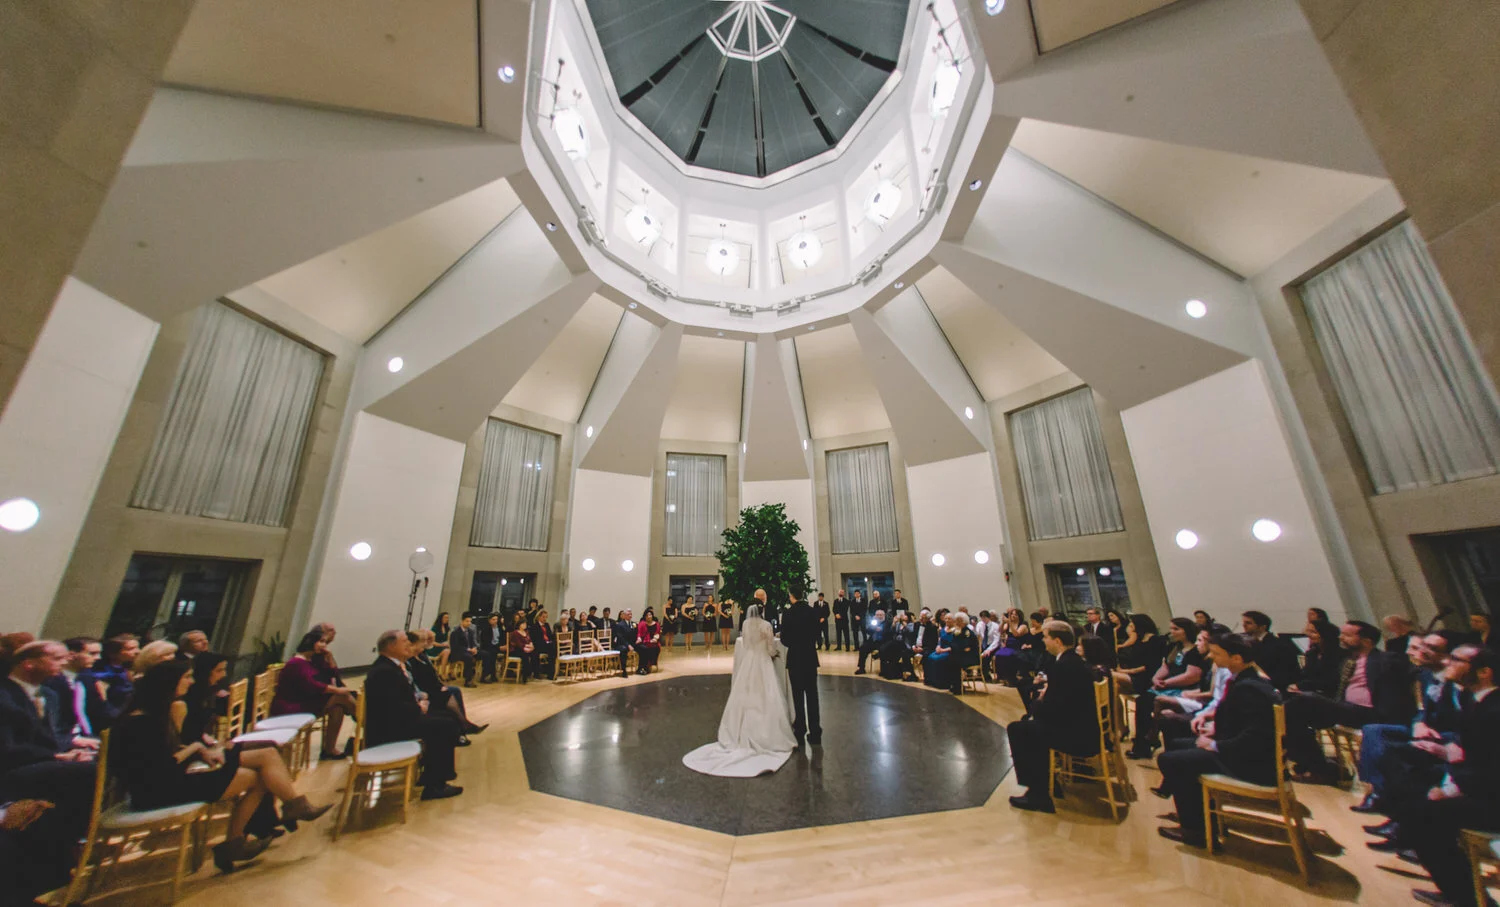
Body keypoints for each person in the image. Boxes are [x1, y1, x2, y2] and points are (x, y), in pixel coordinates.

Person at [111, 660, 331, 872]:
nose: (191, 681)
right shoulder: (142, 722)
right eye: (186, 677)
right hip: (158, 791)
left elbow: (164, 756)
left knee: (262, 766)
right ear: (168, 683)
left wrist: (199, 749)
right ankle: (279, 814)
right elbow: (164, 764)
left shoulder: (150, 715)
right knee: (260, 768)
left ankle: (242, 838)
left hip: (164, 782)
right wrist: (196, 747)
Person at [1384, 645, 1500, 907]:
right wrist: (1446, 754)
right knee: (1410, 785)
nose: (1448, 662)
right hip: (1477, 783)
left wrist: (1451, 790)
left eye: (1457, 660)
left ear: (1484, 672)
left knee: (1423, 816)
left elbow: (1492, 769)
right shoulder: (1475, 700)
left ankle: (1464, 897)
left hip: (1492, 798)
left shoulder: (1494, 710)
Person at [1156, 632, 1280, 847]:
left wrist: (1214, 744)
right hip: (1243, 752)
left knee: (1170, 760)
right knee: (1177, 745)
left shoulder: (1250, 688)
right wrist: (1214, 727)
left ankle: (1196, 831)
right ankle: (1197, 813)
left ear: (1237, 658)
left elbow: (1255, 738)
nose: (1211, 657)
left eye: (1217, 653)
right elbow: (1241, 722)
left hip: (1252, 764)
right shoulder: (1245, 680)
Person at [1285, 620, 1416, 783]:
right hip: (1348, 709)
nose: (1341, 637)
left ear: (1366, 641)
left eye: (1347, 635)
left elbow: (1409, 670)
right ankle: (1317, 766)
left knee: (1299, 704)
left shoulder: (1386, 659)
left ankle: (1318, 768)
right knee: (1293, 713)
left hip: (1370, 713)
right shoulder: (1348, 661)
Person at [1354, 632, 1465, 817]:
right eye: (1423, 645)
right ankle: (1377, 791)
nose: (1422, 651)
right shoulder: (1426, 675)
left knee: (1394, 751)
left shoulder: (1458, 682)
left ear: (1448, 656)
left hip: (1449, 735)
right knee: (1373, 730)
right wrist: (1419, 723)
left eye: (1432, 648)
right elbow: (1422, 710)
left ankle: (1396, 803)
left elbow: (1465, 721)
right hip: (1426, 729)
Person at [682, 604, 797, 776]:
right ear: (762, 611)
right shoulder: (766, 625)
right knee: (766, 692)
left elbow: (747, 644)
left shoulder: (745, 624)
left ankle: (739, 729)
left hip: (749, 660)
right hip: (762, 661)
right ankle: (768, 731)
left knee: (745, 690)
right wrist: (773, 654)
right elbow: (770, 647)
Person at [1007, 622, 1100, 813]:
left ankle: (1038, 794)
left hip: (1076, 734)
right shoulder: (1072, 661)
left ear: (1057, 641)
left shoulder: (1065, 666)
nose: (1043, 641)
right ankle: (1046, 782)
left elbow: (1054, 708)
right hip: (1079, 726)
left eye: (1046, 637)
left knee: (1019, 729)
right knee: (1028, 726)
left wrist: (1038, 703)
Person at [363, 631, 462, 800]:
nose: (409, 644)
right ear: (391, 646)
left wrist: (418, 704)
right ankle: (435, 785)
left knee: (447, 718)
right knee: (444, 725)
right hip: (389, 727)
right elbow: (392, 706)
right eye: (405, 642)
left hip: (398, 720)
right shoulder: (384, 671)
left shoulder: (389, 666)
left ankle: (433, 774)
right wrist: (418, 707)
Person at [272, 629, 359, 759]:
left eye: (325, 642)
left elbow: (333, 676)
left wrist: (330, 659)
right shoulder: (296, 663)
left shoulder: (312, 660)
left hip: (308, 701)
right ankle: (367, 724)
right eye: (321, 641)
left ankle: (329, 750)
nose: (324, 645)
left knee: (338, 708)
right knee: (341, 696)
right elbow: (311, 685)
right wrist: (336, 690)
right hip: (293, 705)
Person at [1127, 618, 1207, 759]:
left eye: (1176, 629)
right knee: (1142, 701)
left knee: (1149, 703)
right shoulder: (1174, 647)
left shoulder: (1195, 652)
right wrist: (1156, 678)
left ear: (1186, 631)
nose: (1172, 632)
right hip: (1167, 685)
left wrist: (1167, 683)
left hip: (1184, 689)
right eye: (1171, 629)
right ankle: (1143, 743)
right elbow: (1166, 666)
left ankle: (1149, 738)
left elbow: (1192, 676)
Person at [405, 632, 485, 739]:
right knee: (448, 693)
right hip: (426, 689)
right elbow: (419, 680)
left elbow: (432, 675)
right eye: (422, 641)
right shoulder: (411, 660)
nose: (425, 643)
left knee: (454, 690)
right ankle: (463, 725)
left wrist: (440, 685)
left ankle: (463, 724)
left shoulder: (422, 656)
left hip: (433, 686)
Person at [44, 637, 104, 746]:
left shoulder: (85, 681)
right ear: (71, 655)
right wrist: (72, 741)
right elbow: (55, 722)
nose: (98, 658)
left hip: (87, 735)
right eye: (92, 653)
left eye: (99, 654)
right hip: (63, 741)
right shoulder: (52, 683)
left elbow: (97, 711)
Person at [779, 591, 821, 746]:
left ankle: (800, 729)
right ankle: (815, 731)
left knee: (797, 696)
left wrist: (794, 643)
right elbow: (818, 633)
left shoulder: (788, 613)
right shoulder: (812, 611)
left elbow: (784, 639)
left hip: (795, 658)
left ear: (792, 596)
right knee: (812, 695)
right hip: (810, 657)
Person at [1239, 611, 1299, 692]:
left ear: (1262, 627)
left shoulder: (1278, 645)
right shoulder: (1248, 641)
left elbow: (1282, 672)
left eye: (1248, 623)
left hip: (1270, 685)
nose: (1244, 625)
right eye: (1244, 622)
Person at [180, 652, 230, 745]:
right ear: (205, 672)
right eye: (219, 671)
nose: (224, 674)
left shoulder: (209, 692)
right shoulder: (192, 697)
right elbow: (188, 732)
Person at [925, 612, 979, 694]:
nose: (957, 623)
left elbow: (966, 647)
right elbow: (953, 644)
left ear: (964, 622)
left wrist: (954, 648)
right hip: (959, 654)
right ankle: (951, 684)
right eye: (956, 621)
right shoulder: (958, 631)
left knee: (953, 661)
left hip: (970, 657)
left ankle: (957, 687)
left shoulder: (967, 632)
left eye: (959, 621)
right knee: (950, 660)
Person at [1113, 614, 1165, 696]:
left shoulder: (1155, 641)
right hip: (1133, 674)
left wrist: (1126, 671)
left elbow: (1150, 665)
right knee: (1113, 687)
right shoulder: (1140, 639)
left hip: (1144, 678)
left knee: (1110, 675)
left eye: (1132, 622)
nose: (1130, 624)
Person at [1292, 618, 1344, 695]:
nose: (1308, 635)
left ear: (1325, 635)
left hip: (1330, 693)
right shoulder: (1312, 653)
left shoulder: (1338, 654)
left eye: (1313, 632)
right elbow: (1306, 674)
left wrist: (1302, 686)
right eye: (1308, 631)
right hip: (1313, 691)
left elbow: (1330, 680)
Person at [449, 613, 481, 689]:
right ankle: (468, 680)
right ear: (462, 621)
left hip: (469, 651)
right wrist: (468, 649)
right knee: (469, 658)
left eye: (470, 621)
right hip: (459, 652)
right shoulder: (455, 632)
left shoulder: (470, 631)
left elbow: (473, 643)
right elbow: (455, 646)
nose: (469, 623)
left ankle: (484, 676)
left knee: (485, 654)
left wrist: (474, 648)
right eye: (467, 621)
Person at [854, 609, 890, 675]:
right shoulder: (874, 622)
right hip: (873, 641)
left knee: (883, 650)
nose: (879, 616)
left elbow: (889, 633)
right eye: (877, 615)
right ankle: (861, 668)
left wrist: (881, 630)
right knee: (862, 648)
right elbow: (867, 631)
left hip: (883, 642)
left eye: (881, 615)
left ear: (884, 615)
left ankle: (883, 670)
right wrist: (874, 627)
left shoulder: (887, 623)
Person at [477, 613, 504, 683]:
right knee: (491, 654)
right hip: (488, 647)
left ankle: (492, 675)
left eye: (496, 619)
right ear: (489, 620)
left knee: (494, 653)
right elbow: (486, 642)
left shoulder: (500, 628)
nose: (495, 621)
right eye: (493, 619)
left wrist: (502, 646)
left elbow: (502, 639)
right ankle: (487, 675)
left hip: (498, 646)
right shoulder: (486, 629)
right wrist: (498, 647)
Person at [611, 610, 636, 678]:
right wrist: (628, 645)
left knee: (642, 647)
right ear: (624, 616)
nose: (630, 616)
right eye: (628, 614)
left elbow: (635, 634)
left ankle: (642, 667)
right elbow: (620, 637)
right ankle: (624, 670)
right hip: (621, 644)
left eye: (631, 614)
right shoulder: (619, 625)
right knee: (624, 650)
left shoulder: (633, 624)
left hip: (631, 643)